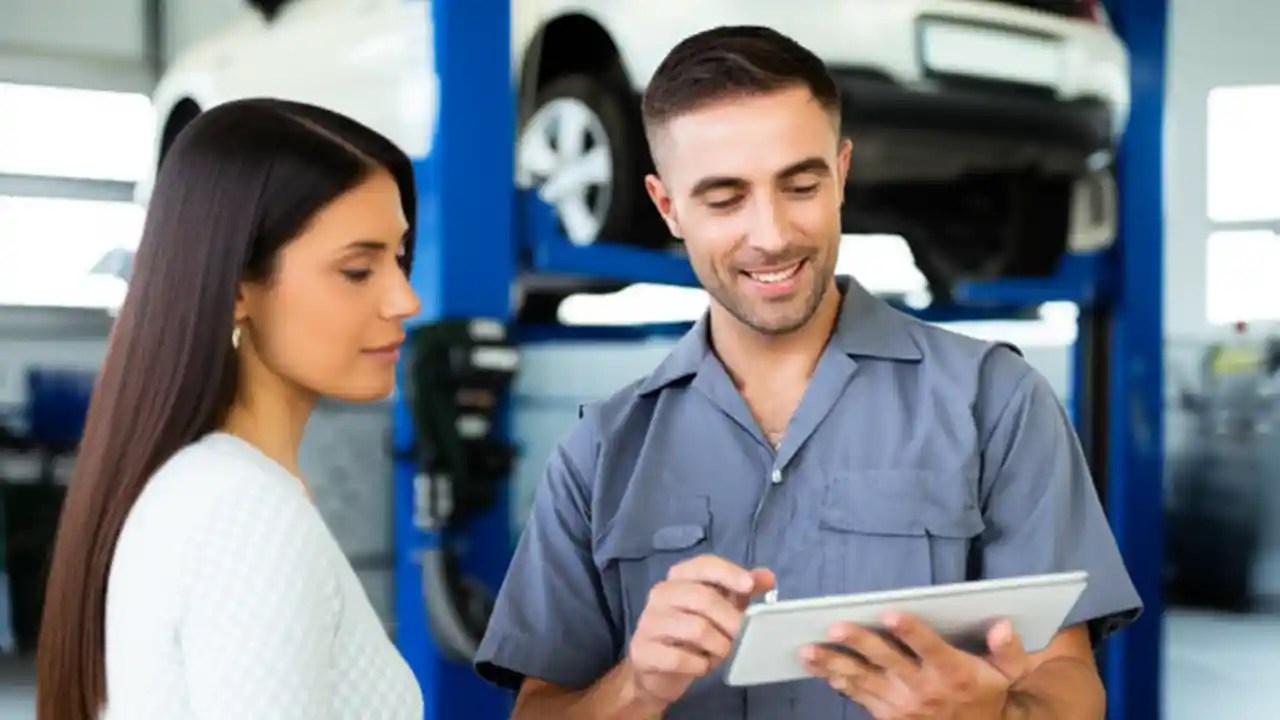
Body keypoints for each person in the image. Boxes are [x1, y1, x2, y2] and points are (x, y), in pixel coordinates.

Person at [474, 25, 1143, 720]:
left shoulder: (995, 403)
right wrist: (636, 685)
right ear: (667, 206)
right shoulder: (602, 452)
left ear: (842, 174)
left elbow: (1067, 682)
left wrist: (993, 715)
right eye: (725, 198)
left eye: (799, 185)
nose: (771, 234)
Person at [34, 99, 425, 719]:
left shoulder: (209, 486)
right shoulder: (246, 513)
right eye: (358, 269)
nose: (405, 298)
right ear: (239, 290)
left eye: (399, 258)